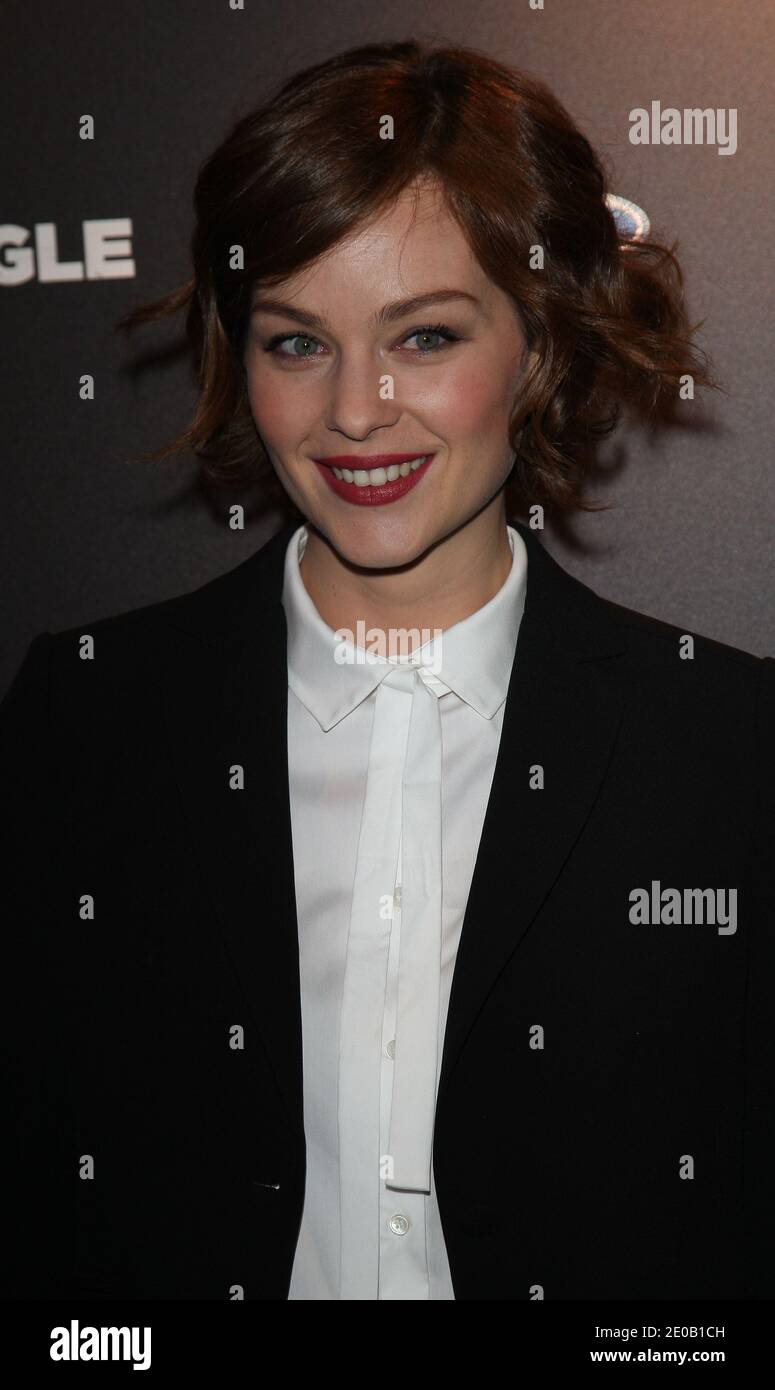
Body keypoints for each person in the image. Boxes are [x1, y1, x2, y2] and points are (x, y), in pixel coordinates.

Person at [1, 39, 773, 1302]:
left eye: (421, 336)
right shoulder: (84, 721)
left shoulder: (730, 752)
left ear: (539, 344)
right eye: (296, 344)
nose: (355, 411)